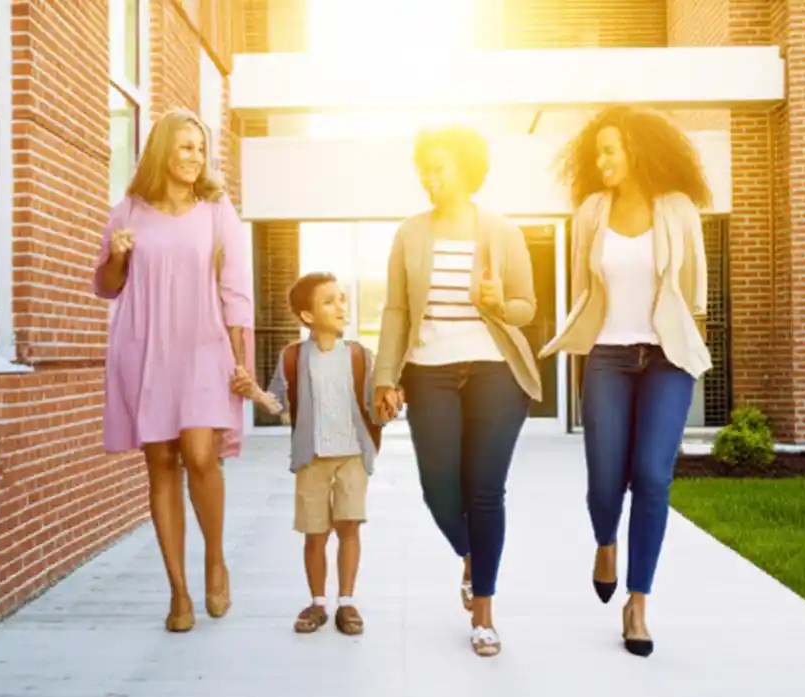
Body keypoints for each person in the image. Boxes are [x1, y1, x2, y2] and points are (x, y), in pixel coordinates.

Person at [541, 106, 713, 657]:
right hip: (609, 357)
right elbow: (584, 292)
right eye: (598, 152)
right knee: (604, 478)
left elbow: (696, 288)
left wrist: (689, 348)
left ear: (637, 150)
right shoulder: (591, 212)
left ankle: (637, 604)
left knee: (652, 477)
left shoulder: (679, 209)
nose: (602, 160)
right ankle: (605, 541)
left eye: (610, 150)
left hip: (666, 358)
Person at [93, 108, 267, 632]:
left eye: (201, 148)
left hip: (204, 348)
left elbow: (236, 287)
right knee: (162, 461)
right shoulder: (127, 211)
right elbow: (106, 285)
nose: (196, 157)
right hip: (145, 348)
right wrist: (118, 257)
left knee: (199, 454)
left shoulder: (216, 211)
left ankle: (215, 559)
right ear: (163, 150)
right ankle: (178, 591)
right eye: (186, 147)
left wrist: (242, 362)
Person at [373, 125, 542, 657]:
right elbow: (397, 309)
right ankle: (471, 556)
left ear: (467, 170)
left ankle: (485, 612)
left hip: (494, 369)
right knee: (438, 488)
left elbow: (526, 308)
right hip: (429, 370)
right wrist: (385, 376)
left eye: (440, 167)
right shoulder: (410, 233)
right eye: (425, 167)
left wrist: (496, 302)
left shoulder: (502, 232)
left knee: (486, 491)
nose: (431, 177)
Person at [248, 272, 382, 636]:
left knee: (349, 526)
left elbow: (374, 405)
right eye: (329, 301)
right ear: (308, 316)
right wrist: (258, 395)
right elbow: (277, 401)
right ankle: (318, 603)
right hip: (313, 457)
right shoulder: (293, 356)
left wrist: (392, 402)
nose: (340, 306)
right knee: (315, 533)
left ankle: (347, 602)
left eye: (342, 298)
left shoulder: (359, 355)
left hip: (352, 454)